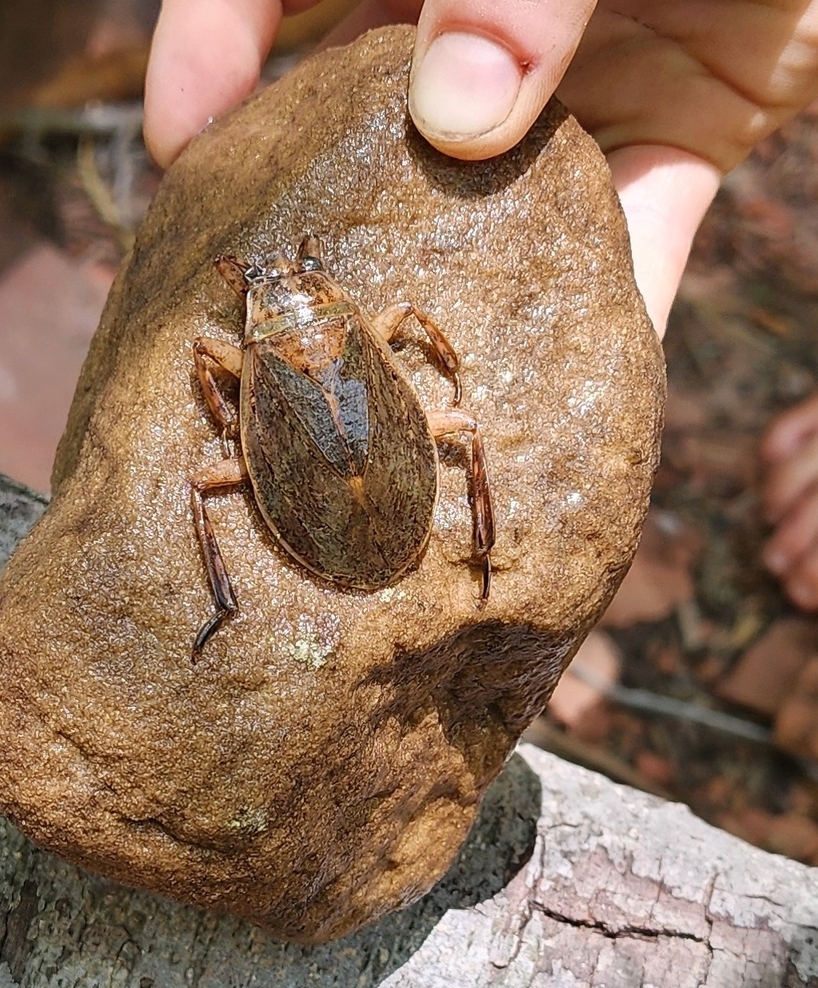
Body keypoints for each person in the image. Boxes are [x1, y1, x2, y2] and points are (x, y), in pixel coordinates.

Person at [144, 0, 818, 609]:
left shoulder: (234, 350)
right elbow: (409, 323)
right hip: (361, 408)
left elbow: (213, 362)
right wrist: (450, 372)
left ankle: (226, 605)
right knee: (459, 426)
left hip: (291, 451)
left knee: (208, 482)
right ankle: (484, 554)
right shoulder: (365, 321)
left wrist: (230, 422)